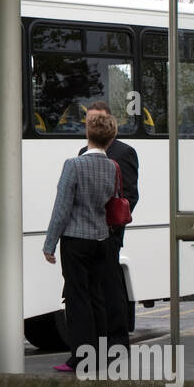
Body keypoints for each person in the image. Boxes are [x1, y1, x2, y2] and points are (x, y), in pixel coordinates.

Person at [43, 111, 120, 373]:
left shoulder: (73, 165)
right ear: (110, 139)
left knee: (77, 299)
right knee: (97, 296)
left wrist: (49, 243)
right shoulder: (111, 166)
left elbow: (61, 207)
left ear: (87, 134)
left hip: (76, 240)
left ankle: (80, 356)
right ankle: (100, 353)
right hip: (101, 238)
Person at [78, 100, 139, 346]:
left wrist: (111, 225)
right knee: (92, 291)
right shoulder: (83, 153)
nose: (93, 124)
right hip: (87, 234)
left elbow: (130, 195)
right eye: (89, 120)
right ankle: (97, 342)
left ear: (110, 122)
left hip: (110, 234)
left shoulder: (124, 152)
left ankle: (117, 342)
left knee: (111, 289)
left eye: (97, 119)